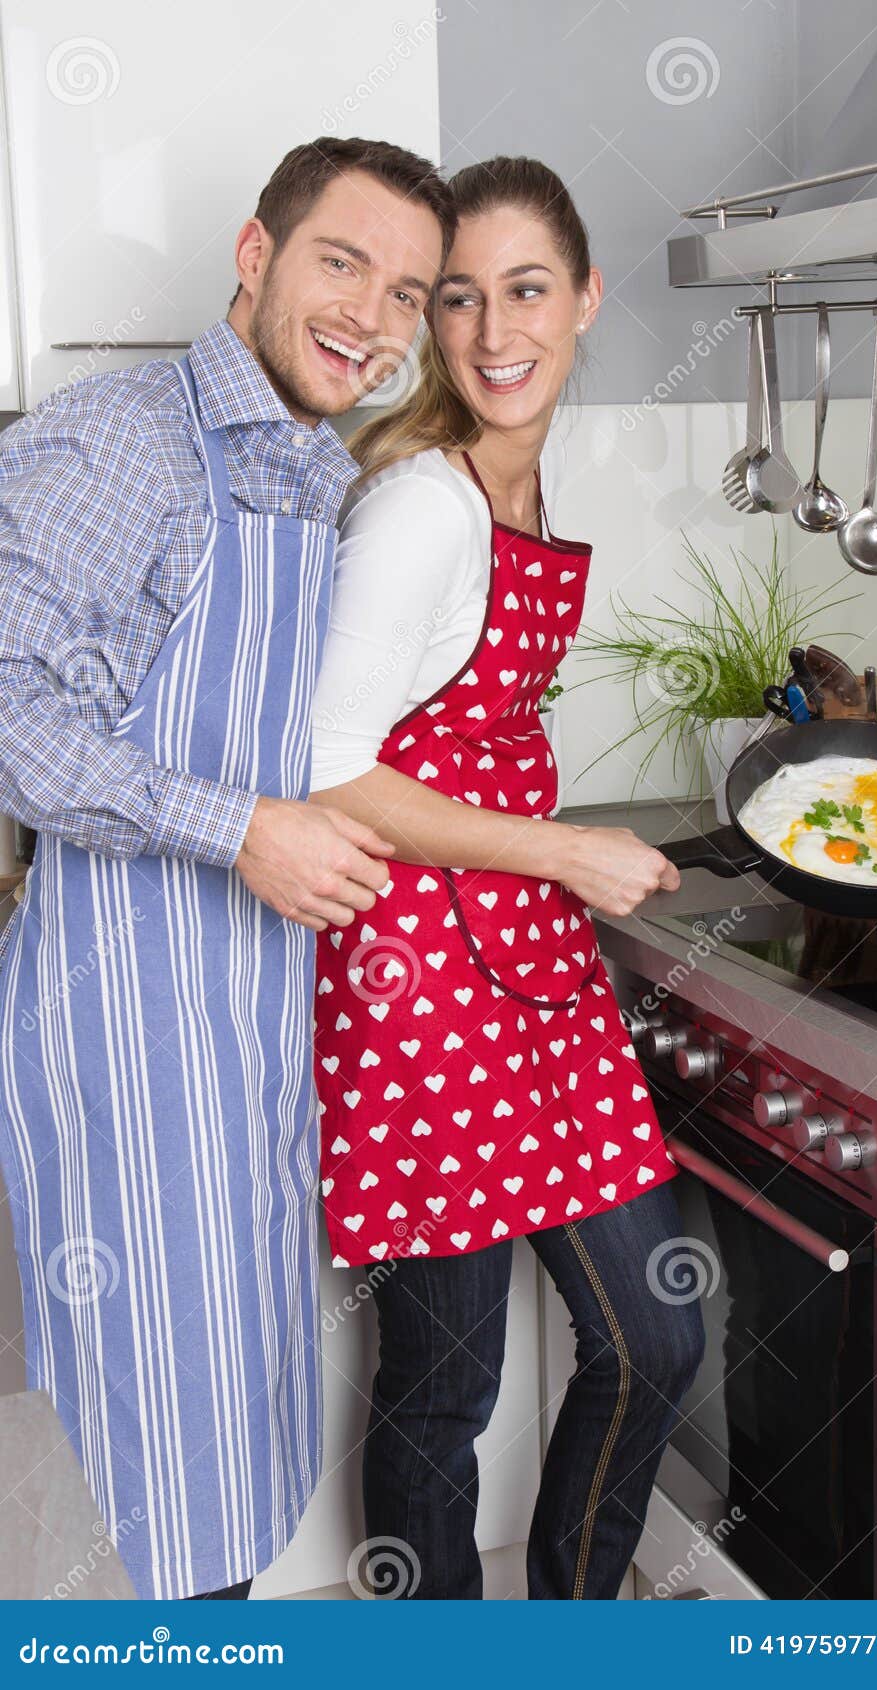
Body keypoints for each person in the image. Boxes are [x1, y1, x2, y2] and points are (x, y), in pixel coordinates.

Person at [0, 137, 455, 1600]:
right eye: (342, 263)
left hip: (244, 1032)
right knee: (145, 1485)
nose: (371, 317)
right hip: (125, 1040)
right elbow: (12, 716)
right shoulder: (120, 440)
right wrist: (241, 829)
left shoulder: (307, 470)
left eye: (406, 293)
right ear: (256, 255)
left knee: (230, 1450)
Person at [309, 156, 704, 1600]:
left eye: (525, 290)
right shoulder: (423, 503)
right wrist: (565, 849)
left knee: (653, 1337)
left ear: (585, 298)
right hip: (414, 980)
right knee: (446, 1384)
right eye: (459, 299)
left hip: (527, 956)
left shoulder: (519, 488)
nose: (491, 332)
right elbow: (327, 767)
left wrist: (553, 861)